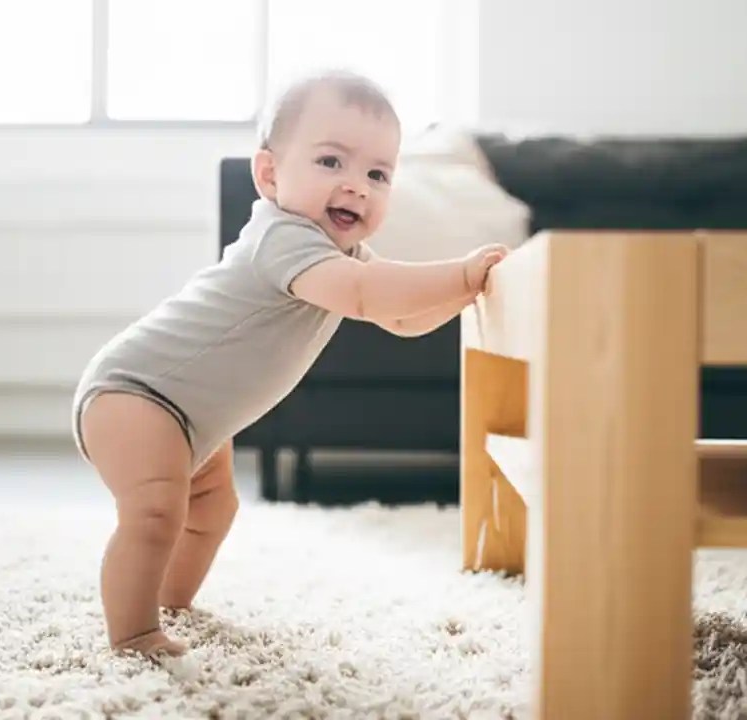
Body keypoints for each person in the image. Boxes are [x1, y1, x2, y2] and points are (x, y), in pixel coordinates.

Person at [71, 70, 509, 657]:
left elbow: (400, 319)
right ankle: (133, 634)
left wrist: (466, 295)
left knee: (209, 511)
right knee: (154, 510)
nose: (357, 185)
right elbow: (366, 294)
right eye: (332, 162)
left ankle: (169, 602)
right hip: (137, 393)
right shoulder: (283, 237)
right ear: (271, 174)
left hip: (192, 418)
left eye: (378, 173)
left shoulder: (344, 254)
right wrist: (458, 271)